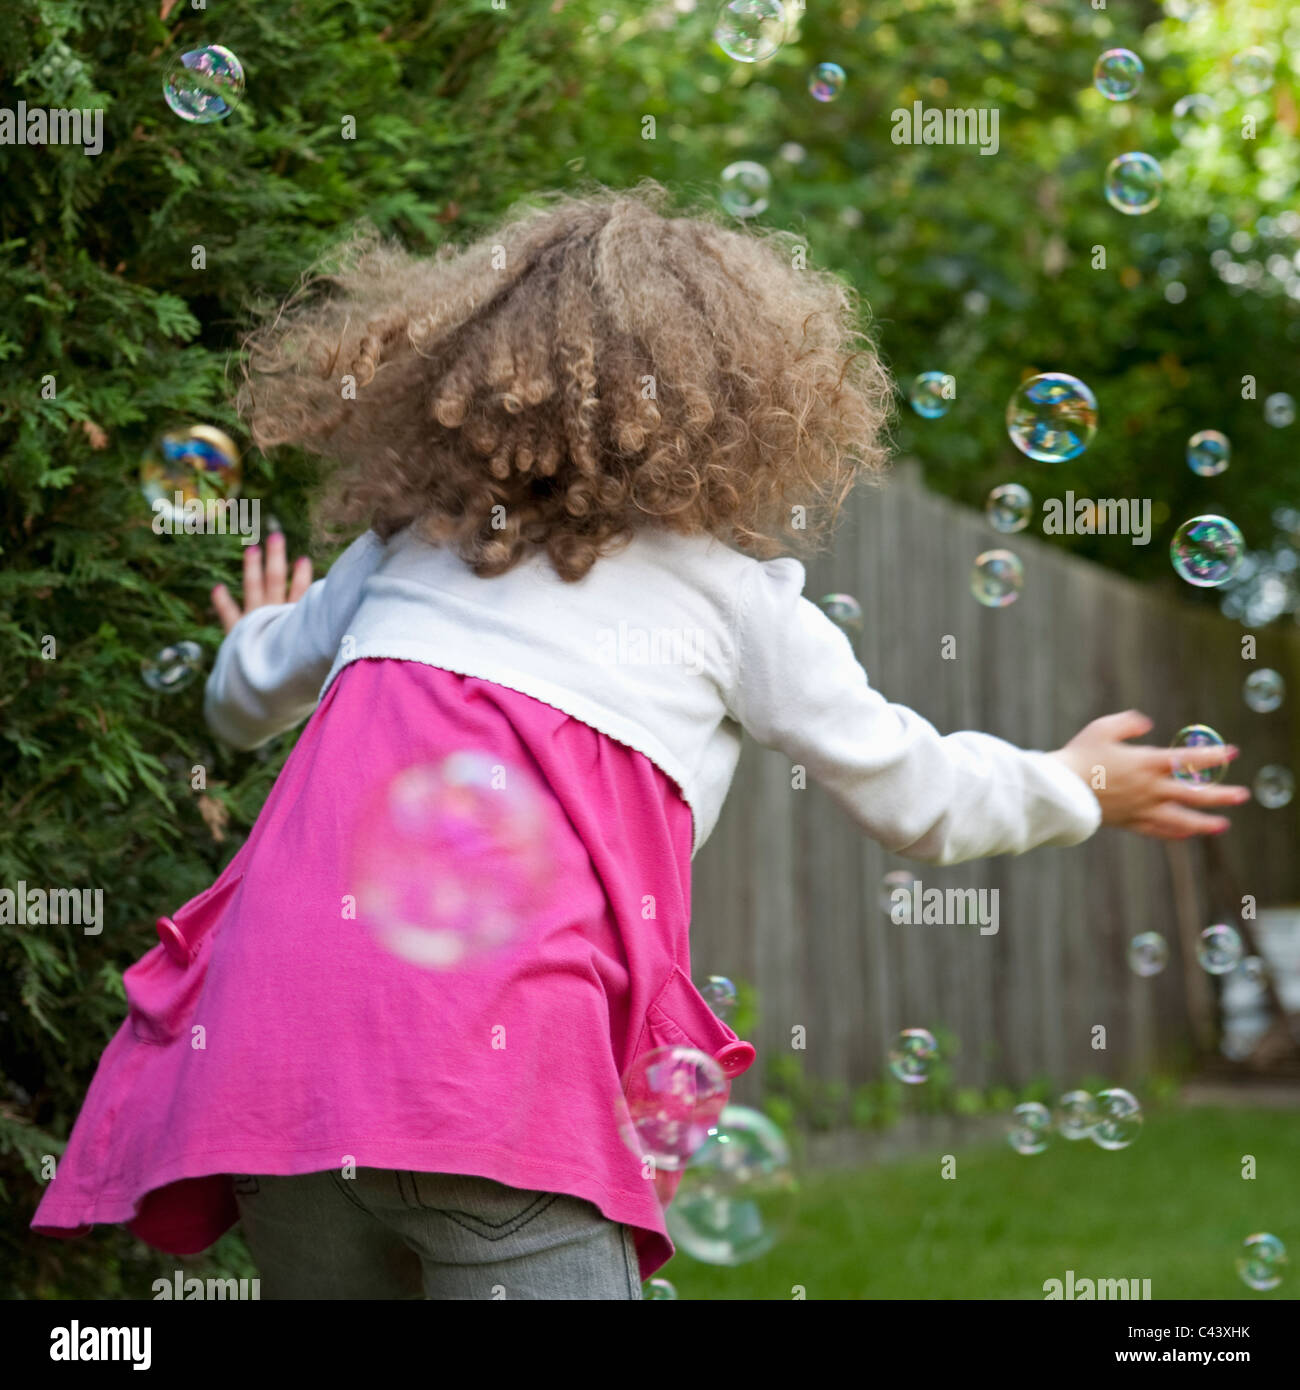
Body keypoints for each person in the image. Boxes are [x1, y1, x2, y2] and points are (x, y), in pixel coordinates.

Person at [32, 185, 1247, 1299]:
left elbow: (246, 696)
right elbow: (918, 793)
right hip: (487, 1098)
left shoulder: (410, 546)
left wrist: (252, 644)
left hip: (271, 1085)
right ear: (745, 405)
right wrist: (1073, 783)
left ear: (474, 367)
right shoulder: (731, 599)